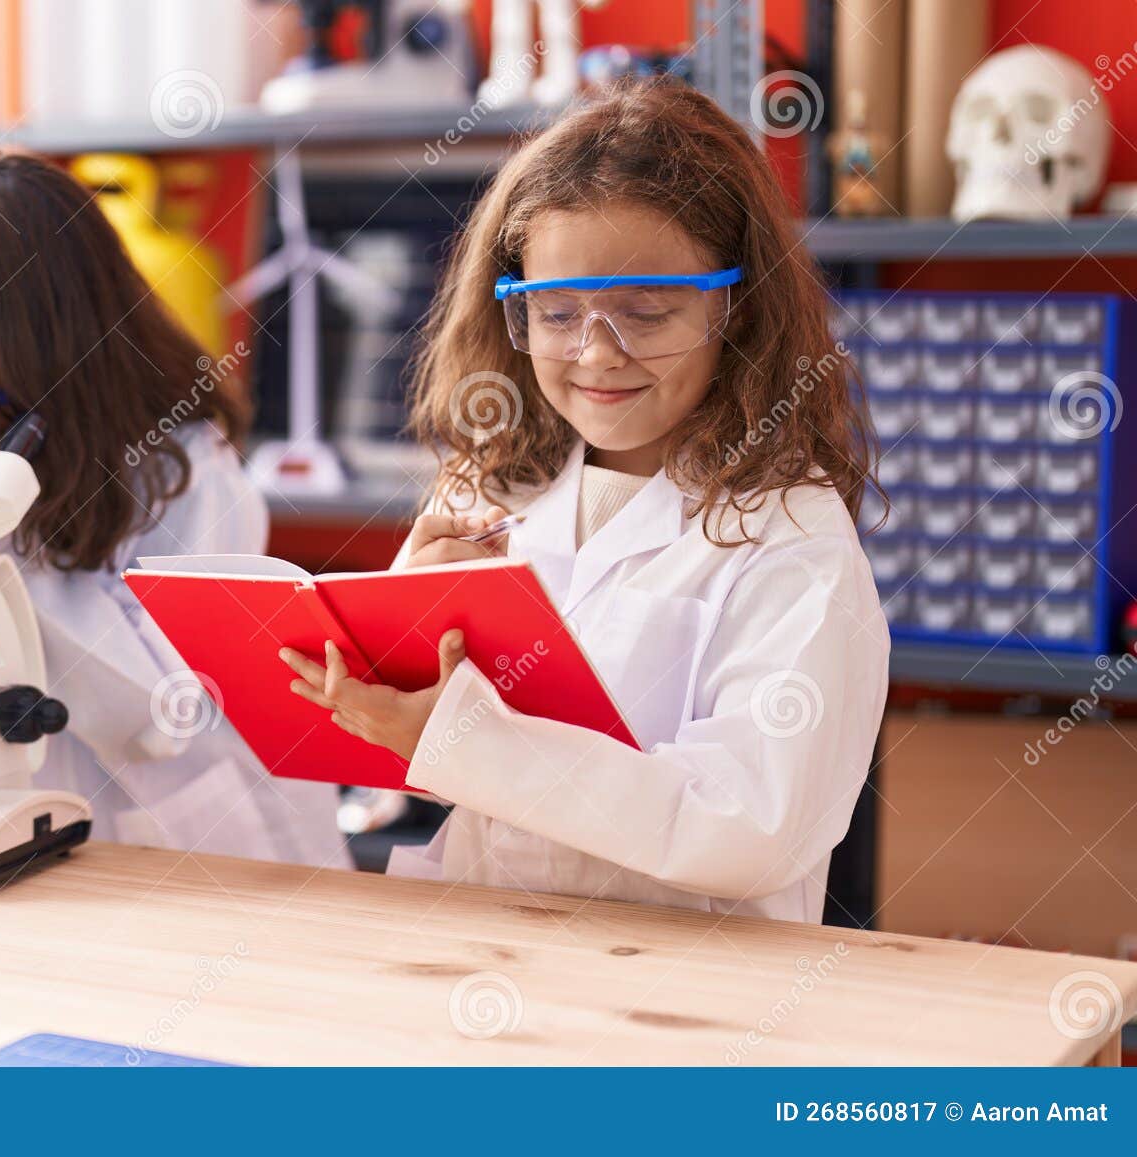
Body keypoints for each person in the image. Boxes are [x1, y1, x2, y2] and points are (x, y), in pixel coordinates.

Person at [280, 79, 887, 920]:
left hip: (684, 1002)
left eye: (645, 311)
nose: (598, 354)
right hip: (486, 953)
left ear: (737, 309)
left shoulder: (789, 540)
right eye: (557, 313)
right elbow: (397, 748)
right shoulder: (498, 481)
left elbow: (752, 827)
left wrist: (470, 741)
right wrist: (399, 627)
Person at [0, 146, 347, 868]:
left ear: (44, 388)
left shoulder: (189, 475)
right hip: (26, 845)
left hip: (204, 854)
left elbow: (157, 716)